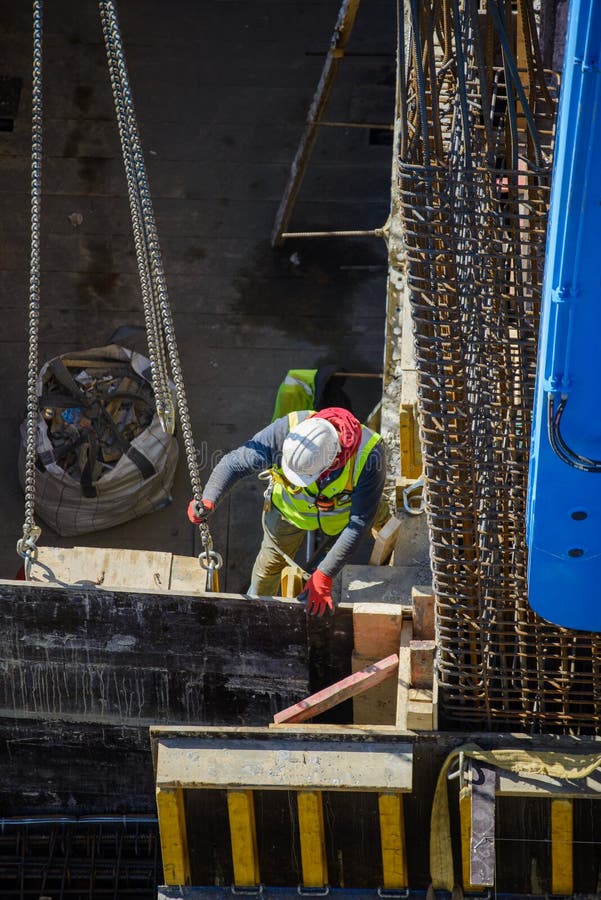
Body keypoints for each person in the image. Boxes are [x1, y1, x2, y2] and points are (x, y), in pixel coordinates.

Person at [187, 407, 386, 616]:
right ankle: (253, 613)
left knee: (379, 517)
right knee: (266, 573)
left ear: (334, 462)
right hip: (289, 513)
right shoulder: (287, 431)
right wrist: (209, 498)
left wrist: (325, 574)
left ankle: (394, 538)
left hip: (343, 517)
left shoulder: (369, 454)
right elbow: (234, 463)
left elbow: (360, 522)